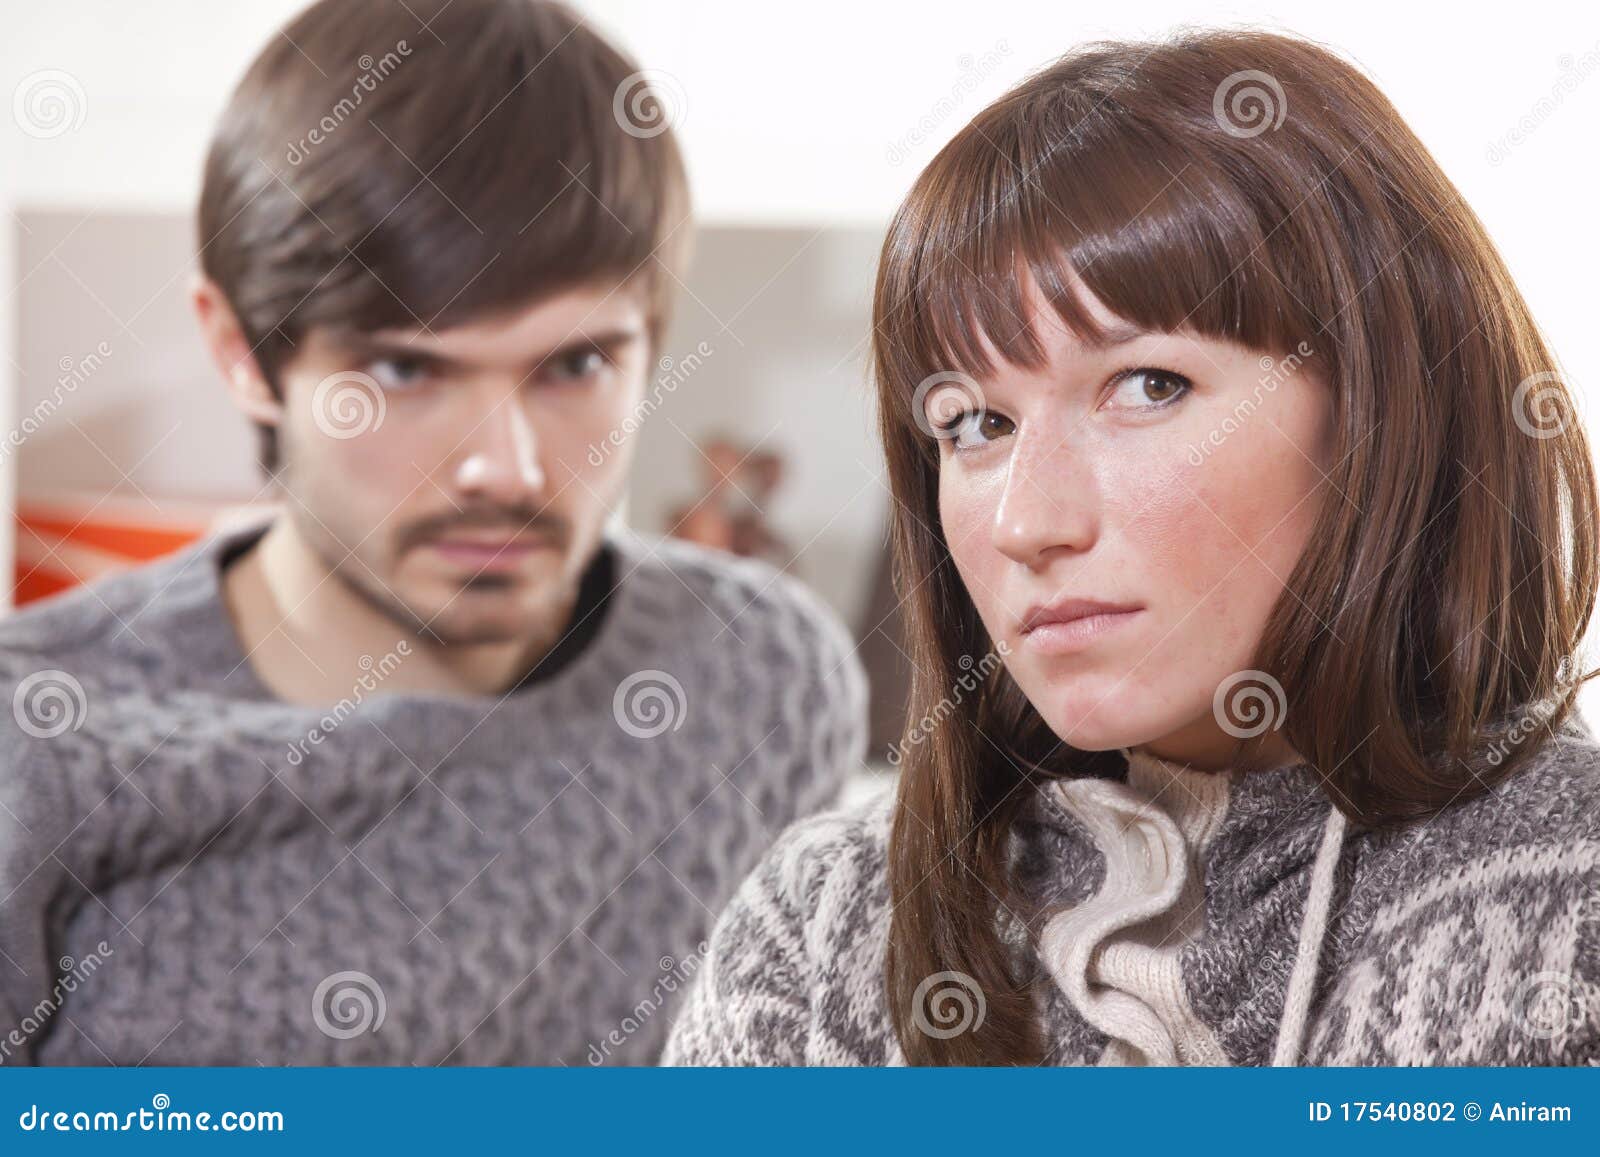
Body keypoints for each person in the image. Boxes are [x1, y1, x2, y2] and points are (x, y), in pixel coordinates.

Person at [663, 28, 1600, 1066]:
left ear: (1385, 410)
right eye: (973, 424)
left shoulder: (1576, 898)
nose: (1028, 523)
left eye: (1148, 386)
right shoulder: (817, 925)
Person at [0, 0, 865, 1066]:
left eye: (576, 364)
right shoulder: (33, 745)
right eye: (407, 369)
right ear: (241, 352)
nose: (505, 468)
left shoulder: (761, 678)